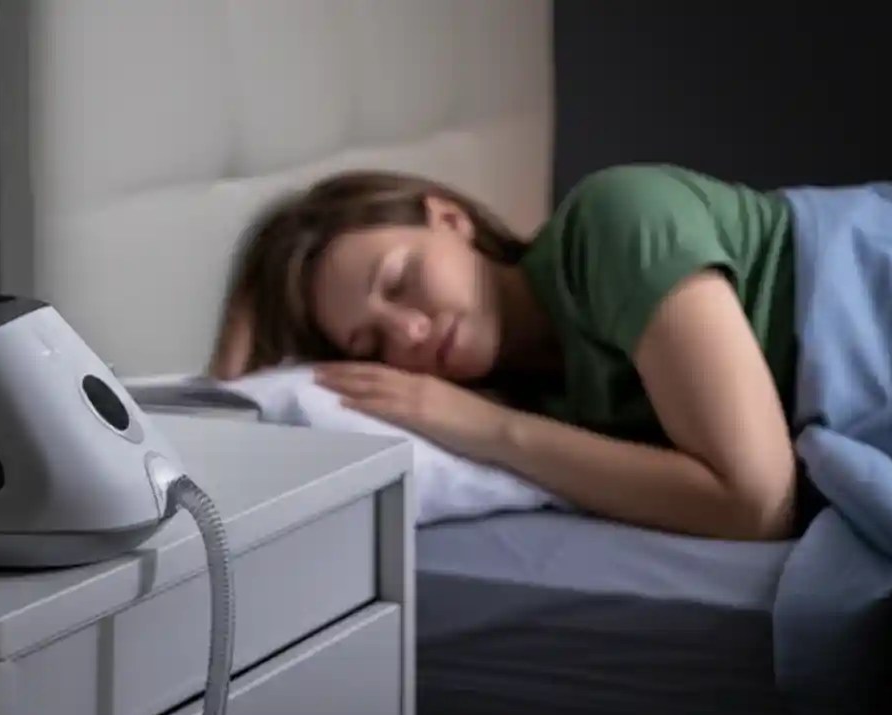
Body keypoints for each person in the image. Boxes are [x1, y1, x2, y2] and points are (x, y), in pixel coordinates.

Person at [208, 164, 810, 541]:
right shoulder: (549, 400)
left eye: (399, 282)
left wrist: (494, 430)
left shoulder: (616, 221)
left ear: (449, 218)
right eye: (373, 344)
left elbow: (754, 504)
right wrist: (250, 307)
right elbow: (223, 412)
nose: (409, 335)